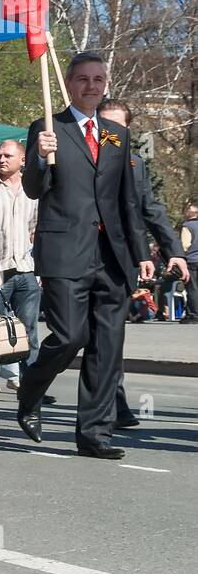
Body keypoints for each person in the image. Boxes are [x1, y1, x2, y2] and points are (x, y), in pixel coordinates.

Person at [16, 52, 156, 460]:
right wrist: (41, 158)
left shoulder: (117, 133)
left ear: (105, 83)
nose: (91, 86)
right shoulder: (47, 127)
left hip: (111, 256)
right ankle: (31, 390)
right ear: (70, 83)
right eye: (83, 79)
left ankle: (95, 433)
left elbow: (128, 200)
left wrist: (140, 251)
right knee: (70, 336)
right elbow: (32, 188)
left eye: (98, 79)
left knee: (107, 347)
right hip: (65, 251)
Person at [96, 99, 190, 427]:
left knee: (110, 337)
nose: (109, 133)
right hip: (78, 260)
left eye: (117, 127)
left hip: (119, 262)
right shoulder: (76, 158)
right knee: (72, 338)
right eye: (103, 124)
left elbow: (152, 209)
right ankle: (34, 389)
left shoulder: (135, 164)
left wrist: (173, 250)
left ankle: (113, 404)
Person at [0, 139, 41, 397]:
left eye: (7, 155)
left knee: (29, 330)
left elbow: (36, 228)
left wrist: (40, 268)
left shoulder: (33, 191)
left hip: (26, 269)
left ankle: (32, 386)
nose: (1, 159)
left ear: (22, 161)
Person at [182, 204, 198, 322]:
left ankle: (194, 314)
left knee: (192, 288)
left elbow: (185, 245)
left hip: (192, 261)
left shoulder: (187, 226)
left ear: (189, 213)